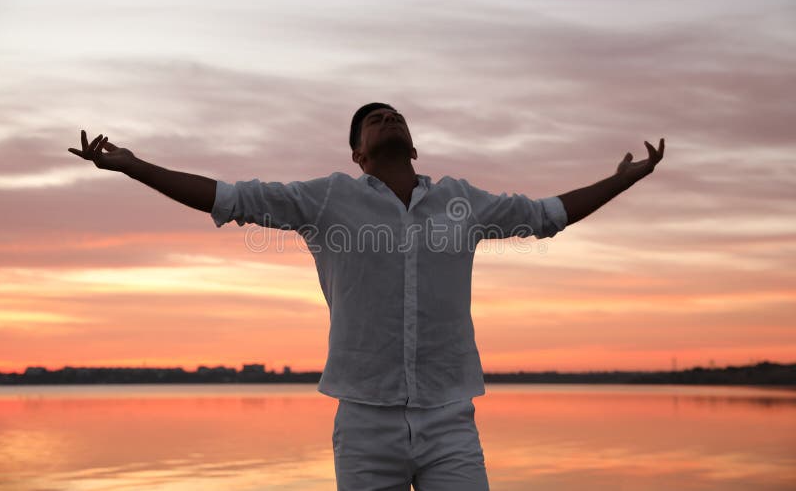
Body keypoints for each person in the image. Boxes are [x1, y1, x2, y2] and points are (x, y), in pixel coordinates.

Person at [69, 103, 664, 490]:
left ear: (413, 145)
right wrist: (132, 166)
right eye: (371, 120)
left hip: (449, 419)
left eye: (392, 115)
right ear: (356, 154)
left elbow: (548, 215)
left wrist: (625, 178)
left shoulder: (463, 201)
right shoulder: (326, 200)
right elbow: (227, 197)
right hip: (363, 422)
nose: (384, 117)